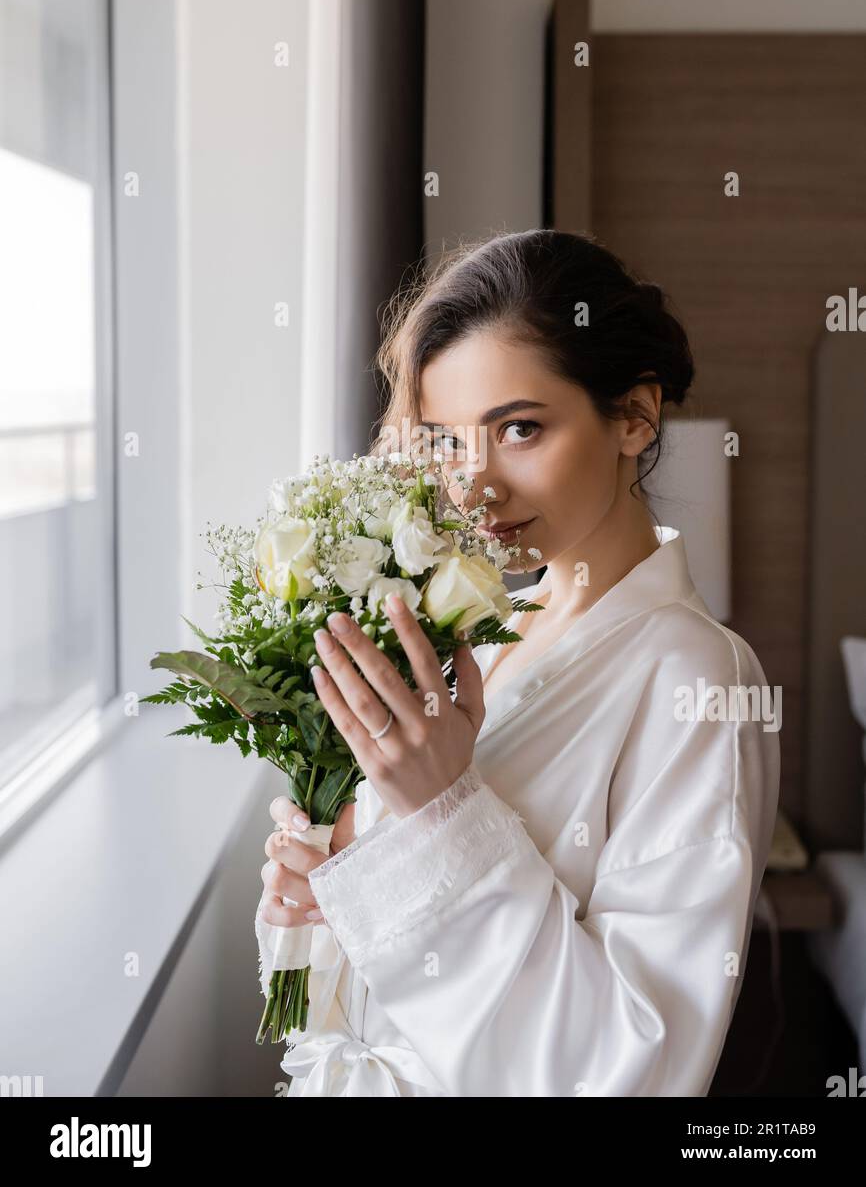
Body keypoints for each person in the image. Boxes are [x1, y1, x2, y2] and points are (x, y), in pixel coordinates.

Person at [255, 228, 781, 1097]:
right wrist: (327, 892)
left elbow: (636, 1069)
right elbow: (387, 970)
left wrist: (437, 811)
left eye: (522, 429)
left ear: (634, 416)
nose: (475, 486)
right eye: (446, 442)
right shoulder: (488, 626)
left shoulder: (701, 683)